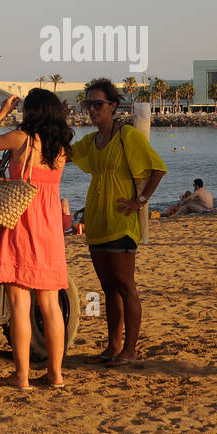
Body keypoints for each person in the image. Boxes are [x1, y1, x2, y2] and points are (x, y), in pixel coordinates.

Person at [0, 89, 72, 389]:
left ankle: (22, 376)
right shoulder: (61, 148)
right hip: (50, 229)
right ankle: (55, 374)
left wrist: (1, 112)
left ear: (32, 112)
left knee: (19, 304)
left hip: (21, 224)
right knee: (51, 304)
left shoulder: (21, 139)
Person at [70, 80, 167, 368]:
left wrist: (141, 201)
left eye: (98, 104)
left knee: (125, 285)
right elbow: (66, 153)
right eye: (88, 104)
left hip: (122, 220)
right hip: (98, 220)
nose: (92, 110)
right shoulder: (91, 141)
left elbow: (157, 168)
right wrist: (59, 121)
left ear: (113, 106)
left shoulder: (127, 136)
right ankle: (113, 345)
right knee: (107, 287)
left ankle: (130, 348)